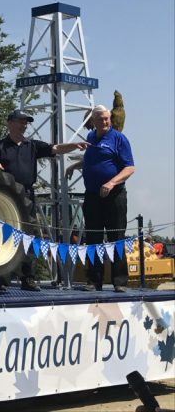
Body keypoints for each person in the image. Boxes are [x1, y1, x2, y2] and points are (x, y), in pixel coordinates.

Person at [0, 109, 88, 291]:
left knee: (30, 236)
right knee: (1, 236)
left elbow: (55, 148)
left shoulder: (32, 145)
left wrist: (75, 145)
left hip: (26, 197)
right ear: (10, 123)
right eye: (21, 121)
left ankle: (28, 278)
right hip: (4, 199)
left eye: (26, 122)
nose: (24, 125)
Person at [81, 104, 135, 293]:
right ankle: (94, 280)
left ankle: (119, 282)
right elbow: (95, 160)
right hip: (93, 195)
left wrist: (111, 183)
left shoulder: (119, 139)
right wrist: (74, 167)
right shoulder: (90, 138)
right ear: (93, 121)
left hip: (114, 196)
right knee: (93, 238)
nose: (104, 122)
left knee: (116, 238)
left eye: (107, 118)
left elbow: (130, 167)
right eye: (100, 119)